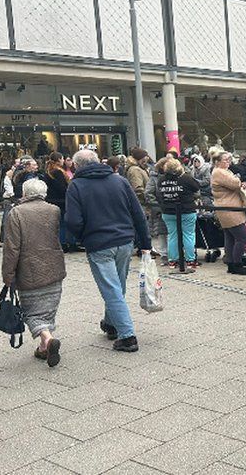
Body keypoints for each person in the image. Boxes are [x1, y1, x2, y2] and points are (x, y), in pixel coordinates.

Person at [64, 149, 151, 353]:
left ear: (77, 166)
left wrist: (82, 237)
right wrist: (145, 241)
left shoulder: (76, 185)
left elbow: (73, 220)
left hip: (99, 242)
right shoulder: (118, 180)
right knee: (117, 285)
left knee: (111, 289)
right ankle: (111, 324)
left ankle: (127, 336)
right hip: (125, 240)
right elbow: (137, 212)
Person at [2, 178, 66, 367]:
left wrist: (8, 275)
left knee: (31, 313)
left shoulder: (16, 212)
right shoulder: (54, 210)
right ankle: (44, 347)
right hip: (54, 266)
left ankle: (46, 339)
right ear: (44, 193)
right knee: (48, 310)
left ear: (24, 193)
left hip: (29, 269)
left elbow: (11, 247)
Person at [211, 152, 246, 275]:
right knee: (241, 237)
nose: (228, 162)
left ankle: (230, 262)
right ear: (217, 161)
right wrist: (240, 180)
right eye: (225, 160)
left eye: (229, 159)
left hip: (228, 207)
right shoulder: (219, 172)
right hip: (229, 208)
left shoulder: (222, 171)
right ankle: (237, 263)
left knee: (230, 237)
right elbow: (235, 183)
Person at [158, 157, 201, 269]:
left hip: (167, 211)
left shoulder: (161, 180)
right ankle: (190, 260)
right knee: (188, 235)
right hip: (186, 210)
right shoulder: (185, 178)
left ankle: (173, 260)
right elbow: (196, 187)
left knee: (172, 235)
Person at [40, 152, 75, 253]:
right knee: (64, 223)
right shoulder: (58, 172)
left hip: (52, 200)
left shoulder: (49, 171)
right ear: (59, 159)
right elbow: (61, 188)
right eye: (62, 158)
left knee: (59, 223)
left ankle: (64, 242)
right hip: (61, 201)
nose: (63, 160)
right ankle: (65, 243)